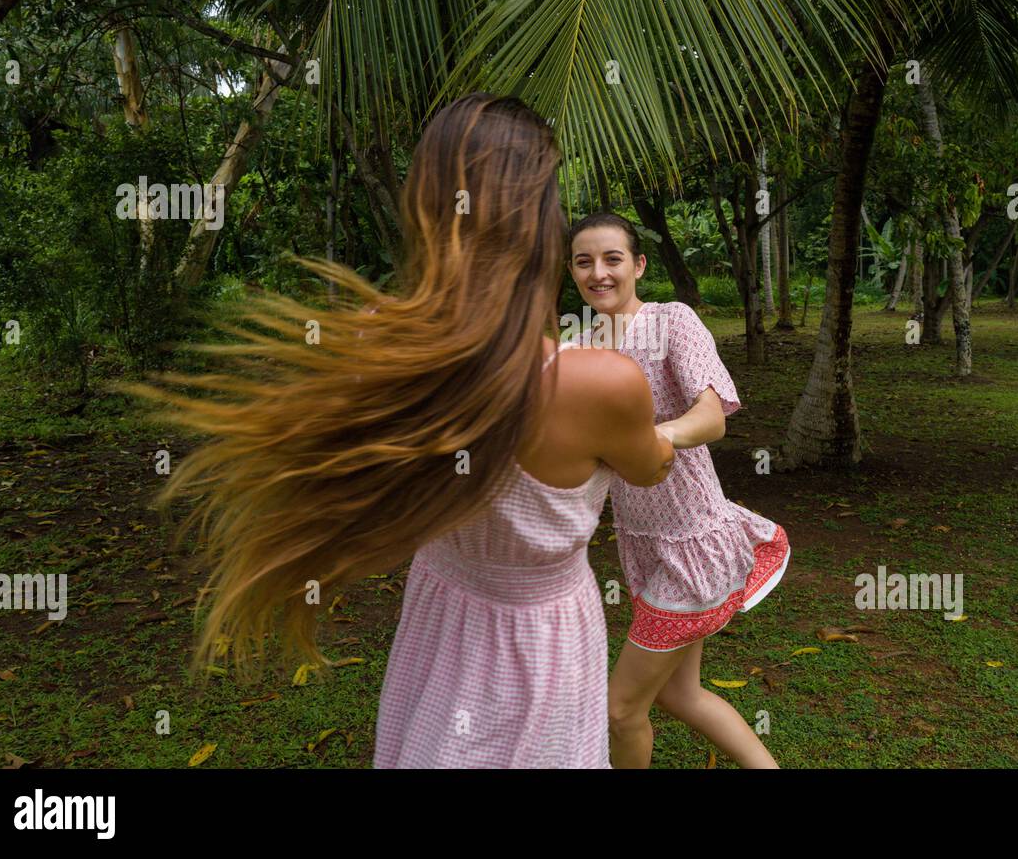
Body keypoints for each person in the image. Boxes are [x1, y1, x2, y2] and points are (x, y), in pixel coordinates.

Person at [127, 95, 673, 768]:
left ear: (428, 209)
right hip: (547, 634)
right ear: (540, 222)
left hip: (442, 617)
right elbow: (650, 466)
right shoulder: (605, 384)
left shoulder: (392, 360)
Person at [567, 211, 791, 768]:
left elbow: (712, 417)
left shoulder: (672, 320)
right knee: (677, 693)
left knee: (620, 710)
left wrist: (645, 441)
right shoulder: (578, 347)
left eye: (612, 259)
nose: (599, 272)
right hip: (644, 542)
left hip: (693, 546)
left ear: (638, 265)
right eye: (583, 262)